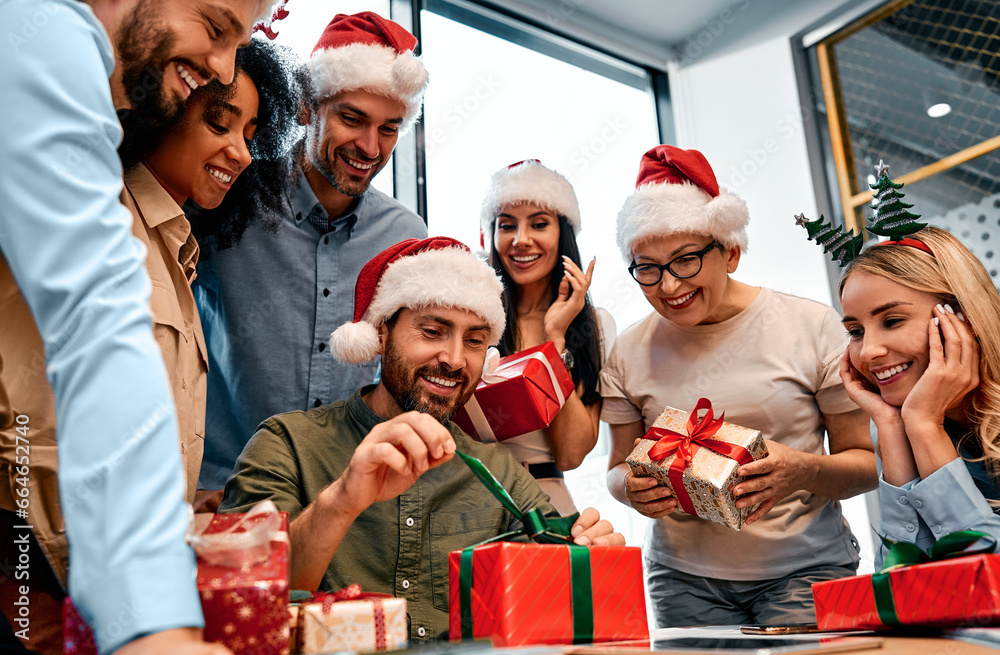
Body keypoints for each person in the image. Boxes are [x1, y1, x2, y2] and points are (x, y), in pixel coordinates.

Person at [0, 1, 272, 652]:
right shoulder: (44, 32)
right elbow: (97, 330)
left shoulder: (184, 254)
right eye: (214, 26)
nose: (219, 68)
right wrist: (151, 620)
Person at [219, 237, 623, 641]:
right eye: (432, 331)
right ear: (380, 333)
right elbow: (242, 602)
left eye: (475, 340)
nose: (454, 358)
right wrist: (341, 500)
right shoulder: (287, 444)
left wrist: (587, 554)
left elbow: (552, 599)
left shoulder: (498, 468)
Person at [601, 145, 877, 627]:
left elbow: (868, 466)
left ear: (730, 251)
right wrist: (630, 490)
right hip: (680, 579)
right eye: (647, 268)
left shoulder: (809, 325)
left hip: (806, 573)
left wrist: (800, 469)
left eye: (686, 260)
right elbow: (617, 468)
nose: (669, 286)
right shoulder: (628, 350)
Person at [195, 11, 431, 492]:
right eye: (352, 118)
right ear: (306, 105)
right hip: (224, 495)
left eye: (389, 129)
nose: (370, 146)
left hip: (347, 505)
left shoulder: (406, 235)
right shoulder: (232, 193)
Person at [838, 225, 1000, 559]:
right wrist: (896, 428)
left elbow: (987, 566)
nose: (868, 352)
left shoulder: (919, 418)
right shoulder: (902, 420)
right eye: (856, 331)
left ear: (961, 317)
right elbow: (903, 576)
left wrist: (924, 426)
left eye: (892, 320)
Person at [479, 159, 615, 515]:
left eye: (539, 224)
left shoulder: (593, 326)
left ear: (563, 234)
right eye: (507, 225)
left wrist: (554, 341)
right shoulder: (473, 316)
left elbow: (570, 454)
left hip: (546, 505)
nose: (521, 240)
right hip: (467, 498)